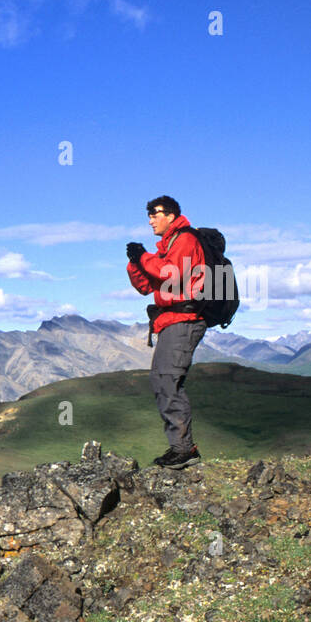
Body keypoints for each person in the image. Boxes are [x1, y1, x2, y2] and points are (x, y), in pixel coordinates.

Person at [126, 195, 207, 469]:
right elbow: (146, 285)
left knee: (168, 380)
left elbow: (171, 273)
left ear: (171, 215)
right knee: (162, 380)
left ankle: (184, 449)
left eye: (155, 213)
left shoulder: (186, 239)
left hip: (185, 318)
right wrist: (135, 262)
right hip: (171, 320)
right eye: (148, 214)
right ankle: (181, 448)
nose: (150, 219)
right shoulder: (168, 246)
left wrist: (144, 257)